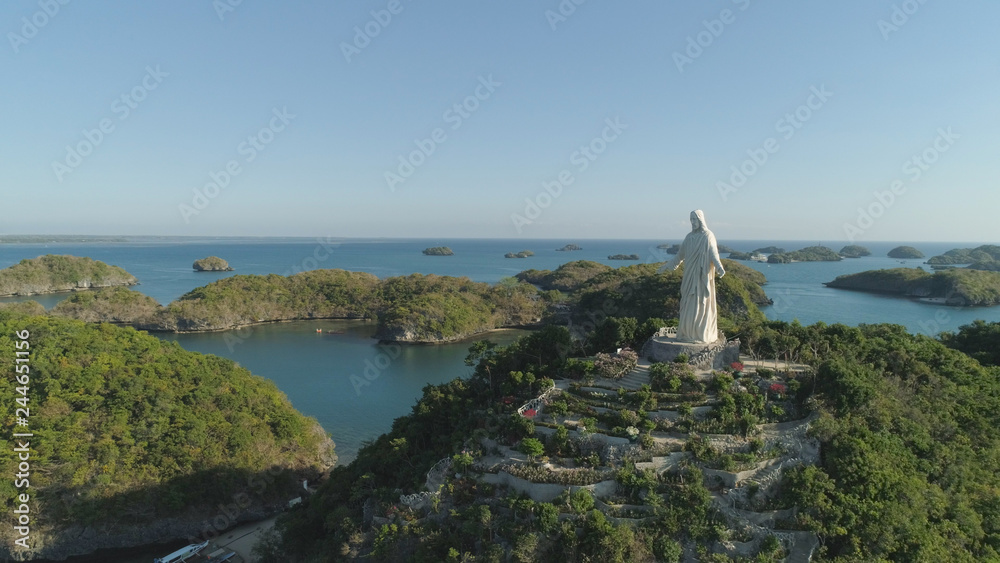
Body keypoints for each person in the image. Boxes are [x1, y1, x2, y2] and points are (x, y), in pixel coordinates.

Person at [659, 210, 726, 343]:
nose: (692, 222)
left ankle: (700, 334)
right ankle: (687, 333)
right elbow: (680, 255)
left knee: (700, 303)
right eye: (691, 220)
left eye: (695, 219)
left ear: (701, 220)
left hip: (701, 277)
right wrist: (666, 266)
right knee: (688, 303)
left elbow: (713, 253)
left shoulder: (708, 235)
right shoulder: (689, 237)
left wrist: (719, 267)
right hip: (689, 276)